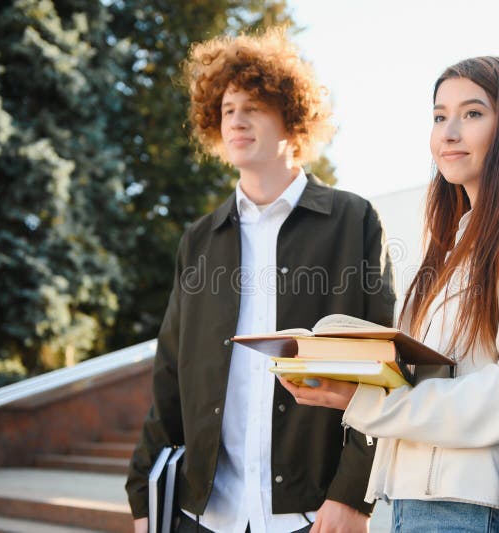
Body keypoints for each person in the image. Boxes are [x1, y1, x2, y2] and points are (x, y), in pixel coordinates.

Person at [279, 56, 499, 532]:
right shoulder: (453, 248)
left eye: (472, 113)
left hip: (479, 510)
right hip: (418, 503)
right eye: (438, 115)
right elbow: (442, 371)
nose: (448, 132)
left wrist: (369, 403)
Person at [125, 28, 395, 533]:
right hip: (202, 514)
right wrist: (144, 499)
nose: (237, 120)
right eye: (227, 109)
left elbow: (382, 369)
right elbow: (169, 376)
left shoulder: (353, 221)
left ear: (291, 117)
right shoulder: (200, 239)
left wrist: (353, 496)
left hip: (311, 516)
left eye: (254, 106)